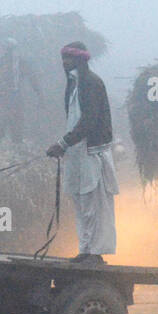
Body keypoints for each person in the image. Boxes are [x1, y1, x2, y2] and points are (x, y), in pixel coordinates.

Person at [46, 42, 117, 263]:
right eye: (63, 58)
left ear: (81, 60)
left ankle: (96, 252)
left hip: (92, 152)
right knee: (80, 203)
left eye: (70, 59)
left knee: (94, 203)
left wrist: (63, 143)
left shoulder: (91, 83)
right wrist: (65, 145)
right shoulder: (73, 84)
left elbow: (89, 121)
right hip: (77, 153)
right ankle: (85, 249)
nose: (65, 63)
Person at [0, 38, 43, 143]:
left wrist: (39, 94)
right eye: (7, 49)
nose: (9, 52)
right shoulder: (1, 63)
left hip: (16, 96)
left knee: (17, 121)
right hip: (3, 96)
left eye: (11, 49)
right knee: (1, 121)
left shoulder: (21, 63)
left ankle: (16, 143)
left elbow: (33, 79)